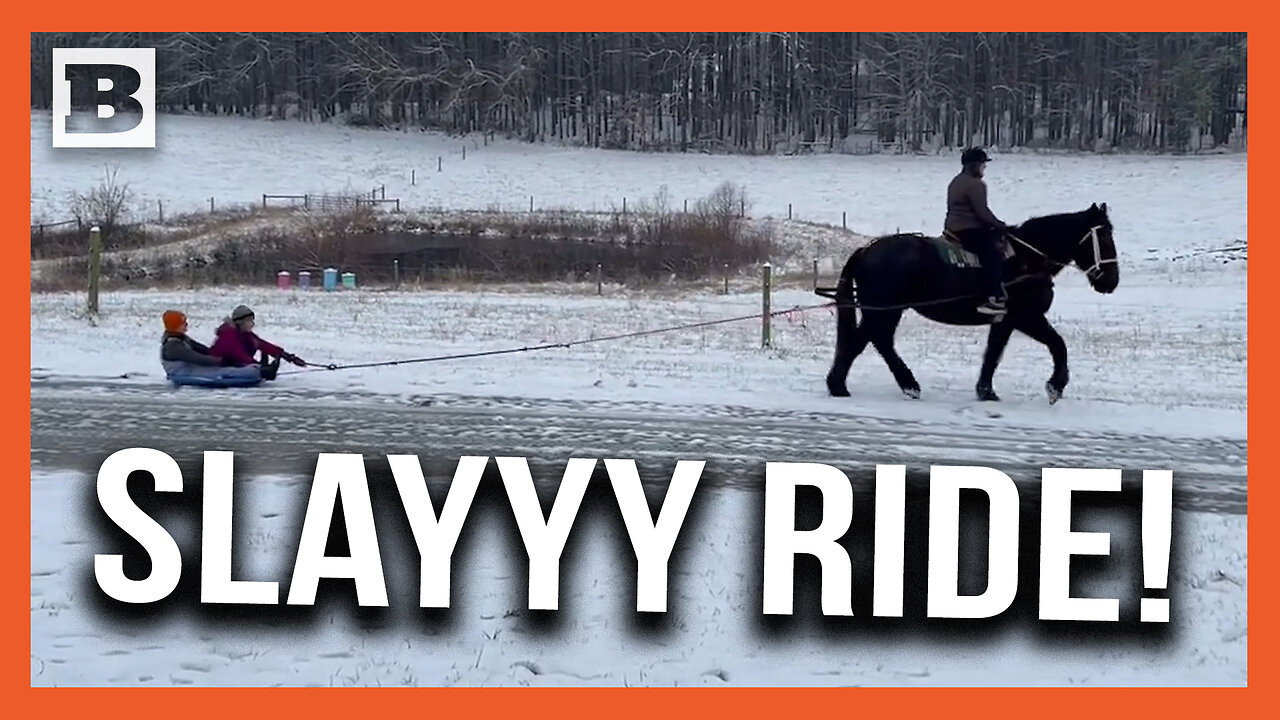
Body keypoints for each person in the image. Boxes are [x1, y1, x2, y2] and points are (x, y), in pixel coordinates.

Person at [945, 147, 1009, 315]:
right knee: (992, 254)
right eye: (982, 165)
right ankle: (991, 298)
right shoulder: (976, 185)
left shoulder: (956, 181)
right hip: (968, 229)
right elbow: (982, 212)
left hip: (952, 228)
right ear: (973, 165)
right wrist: (1000, 225)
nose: (984, 168)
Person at [159, 310, 262, 385]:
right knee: (223, 371)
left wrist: (222, 358)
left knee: (227, 367)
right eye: (183, 323)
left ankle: (257, 368)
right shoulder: (173, 346)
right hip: (184, 372)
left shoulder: (182, 339)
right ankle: (258, 371)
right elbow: (197, 358)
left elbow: (202, 350)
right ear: (175, 326)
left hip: (191, 367)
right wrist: (221, 361)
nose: (186, 325)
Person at [208, 304, 308, 381]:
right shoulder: (229, 334)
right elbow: (239, 354)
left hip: (235, 363)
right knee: (251, 369)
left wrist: (287, 356)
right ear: (241, 322)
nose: (252, 324)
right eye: (249, 321)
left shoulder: (246, 334)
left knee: (253, 364)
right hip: (219, 365)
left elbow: (263, 345)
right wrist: (260, 368)